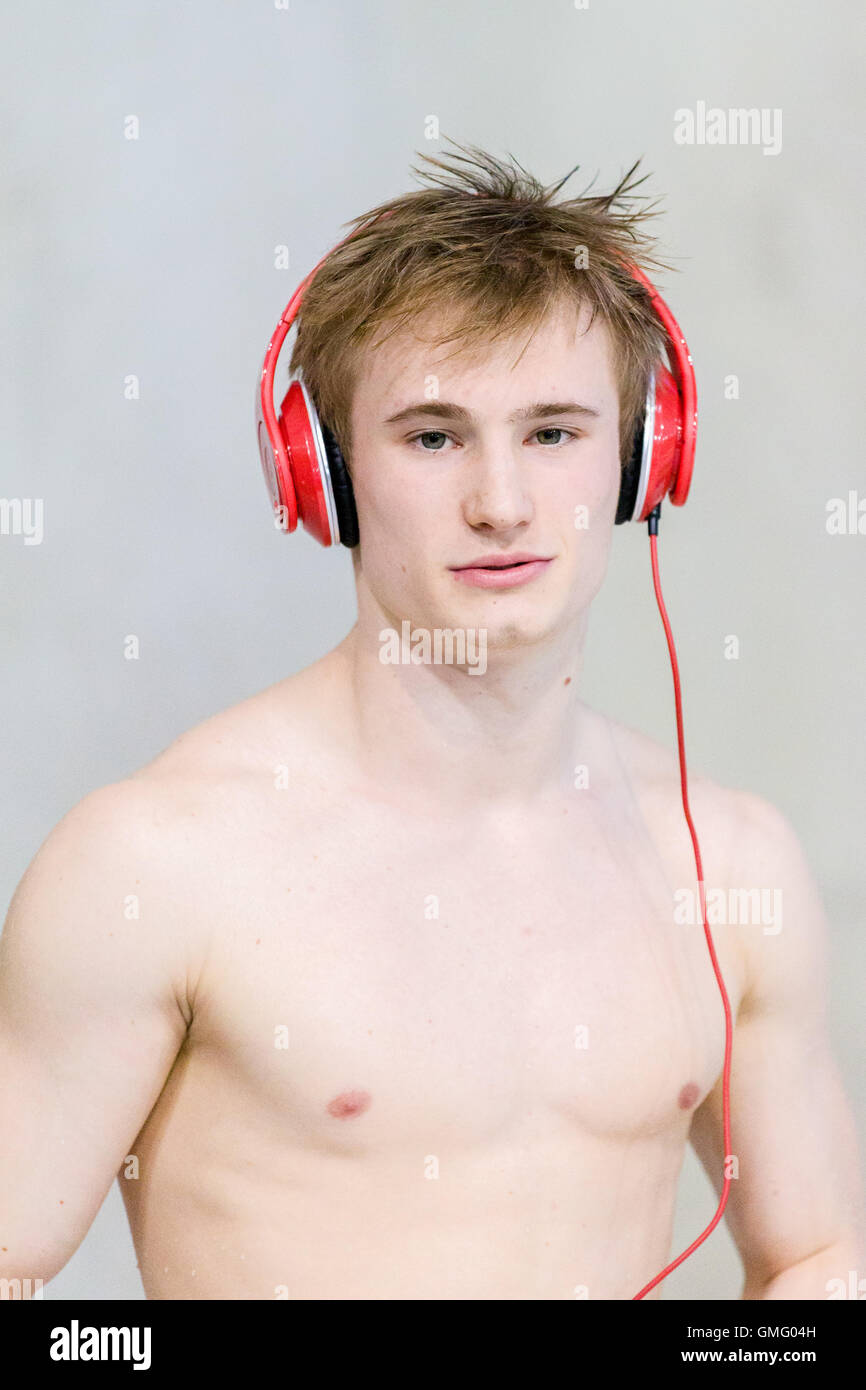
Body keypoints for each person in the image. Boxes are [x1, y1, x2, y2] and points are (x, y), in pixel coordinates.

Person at [1, 140, 862, 1301]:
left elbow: (817, 1263)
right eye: (431, 435)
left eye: (553, 432)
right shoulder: (155, 863)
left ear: (644, 456)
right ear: (324, 472)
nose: (499, 502)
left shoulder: (726, 866)